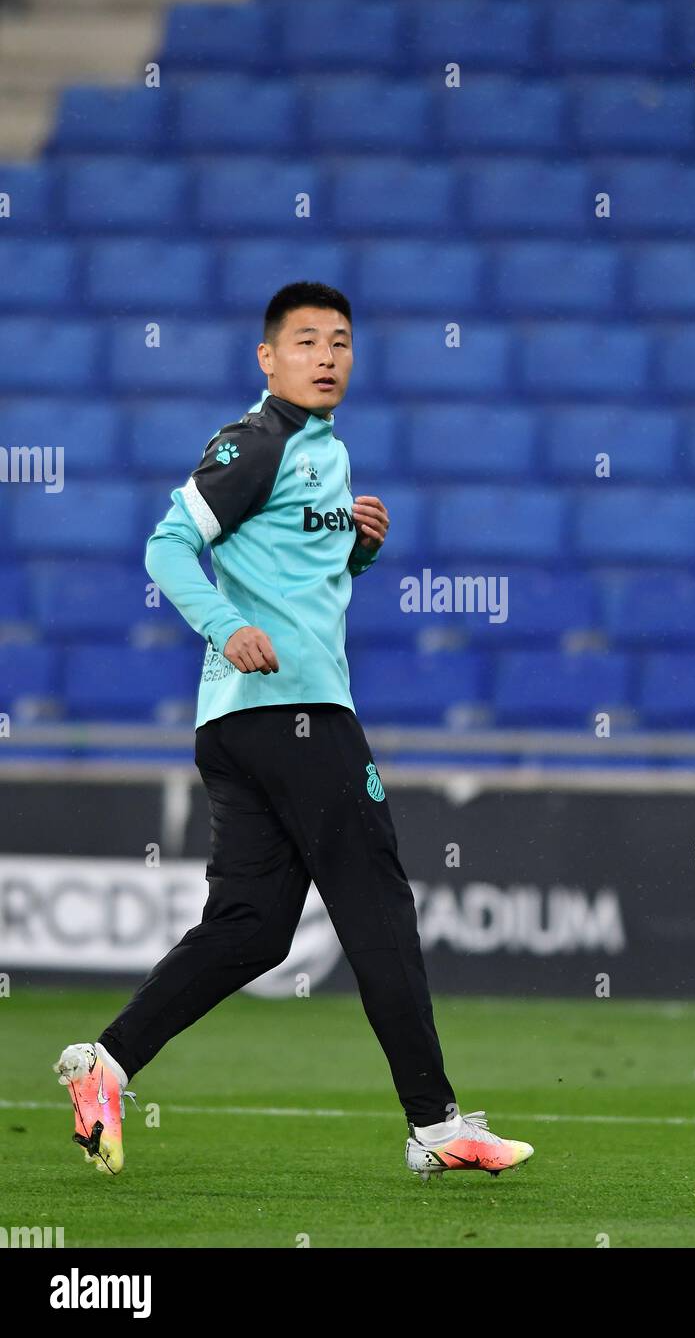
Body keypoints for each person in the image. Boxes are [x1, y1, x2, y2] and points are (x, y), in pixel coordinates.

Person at [53, 281, 534, 1184]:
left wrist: (357, 549)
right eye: (306, 340)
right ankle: (434, 1124)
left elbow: (289, 571)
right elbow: (165, 544)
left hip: (240, 723)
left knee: (249, 928)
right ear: (267, 358)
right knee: (378, 906)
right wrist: (222, 625)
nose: (326, 355)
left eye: (341, 341)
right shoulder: (258, 442)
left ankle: (104, 1068)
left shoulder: (324, 453)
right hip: (296, 715)